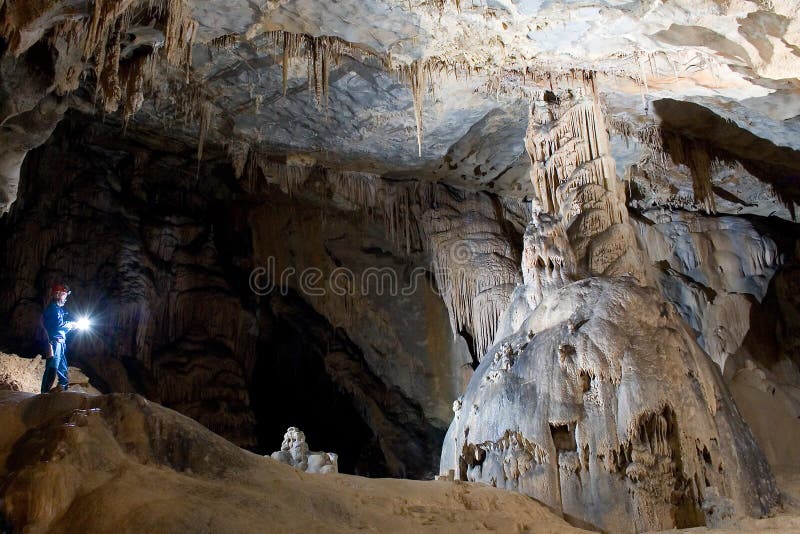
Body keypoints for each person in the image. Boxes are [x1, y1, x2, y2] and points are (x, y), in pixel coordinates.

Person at [41, 283, 76, 393]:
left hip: (60, 343)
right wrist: (71, 325)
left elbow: (61, 324)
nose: (66, 298)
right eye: (65, 295)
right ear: (58, 294)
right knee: (52, 368)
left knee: (63, 369)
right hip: (54, 343)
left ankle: (63, 390)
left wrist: (71, 325)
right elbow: (57, 326)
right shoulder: (52, 310)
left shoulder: (59, 310)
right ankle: (44, 394)